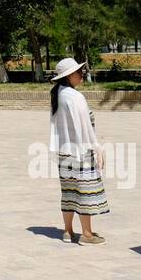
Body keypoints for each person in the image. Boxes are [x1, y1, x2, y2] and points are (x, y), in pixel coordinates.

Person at [49, 57, 108, 244]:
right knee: (85, 192)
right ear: (68, 76)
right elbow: (84, 127)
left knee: (68, 192)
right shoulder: (75, 97)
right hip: (80, 152)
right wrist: (97, 147)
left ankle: (67, 231)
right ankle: (87, 234)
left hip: (63, 152)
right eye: (78, 72)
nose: (81, 74)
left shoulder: (57, 94)